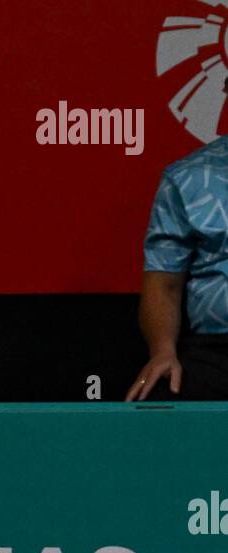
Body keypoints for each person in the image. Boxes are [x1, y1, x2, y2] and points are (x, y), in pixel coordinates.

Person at [127, 83, 228, 402]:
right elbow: (164, 283)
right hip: (218, 354)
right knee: (161, 393)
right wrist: (162, 352)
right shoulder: (188, 178)